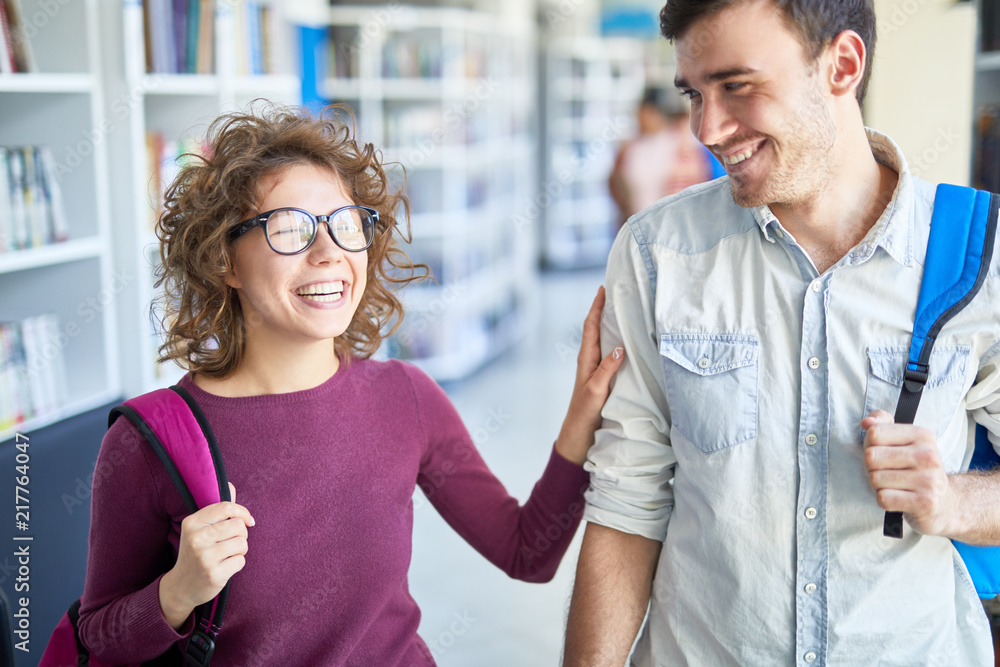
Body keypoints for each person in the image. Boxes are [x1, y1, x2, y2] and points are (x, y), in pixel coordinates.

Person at [76, 104, 625, 666]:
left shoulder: (406, 397)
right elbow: (99, 636)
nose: (329, 252)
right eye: (289, 229)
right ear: (224, 260)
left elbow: (526, 551)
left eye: (346, 224)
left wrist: (582, 418)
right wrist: (176, 594)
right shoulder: (150, 441)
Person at [564, 0, 1000, 665]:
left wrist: (953, 500)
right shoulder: (657, 254)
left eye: (737, 86)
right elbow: (626, 504)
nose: (707, 128)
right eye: (694, 93)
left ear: (842, 65)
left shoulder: (977, 258)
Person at [608, 85, 716, 230]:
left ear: (661, 114)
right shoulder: (631, 147)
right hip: (637, 224)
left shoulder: (683, 146)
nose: (642, 118)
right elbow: (616, 184)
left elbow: (693, 192)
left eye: (648, 113)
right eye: (641, 112)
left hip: (671, 228)